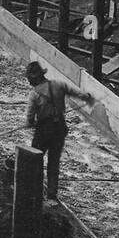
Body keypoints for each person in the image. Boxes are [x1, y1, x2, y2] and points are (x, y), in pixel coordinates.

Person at [24, 61, 93, 200]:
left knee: (35, 159)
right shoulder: (59, 85)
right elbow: (78, 94)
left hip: (43, 130)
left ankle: (35, 189)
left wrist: (30, 123)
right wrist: (87, 97)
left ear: (34, 78)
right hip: (59, 128)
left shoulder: (34, 94)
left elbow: (30, 117)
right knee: (54, 162)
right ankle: (52, 194)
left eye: (30, 78)